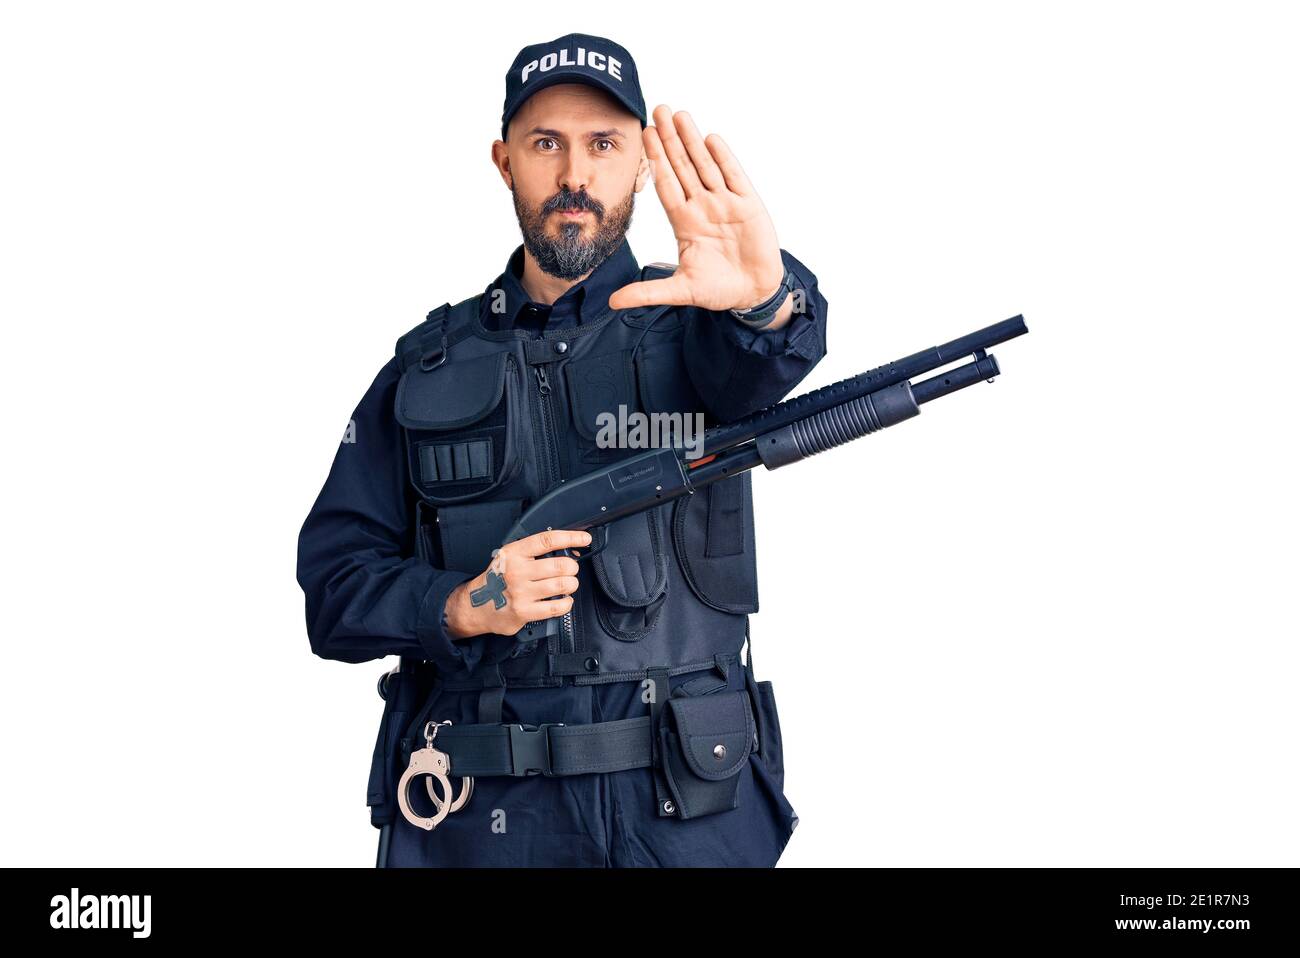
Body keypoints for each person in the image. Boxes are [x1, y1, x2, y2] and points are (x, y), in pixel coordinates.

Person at [297, 32, 829, 867]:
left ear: (645, 164)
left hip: (688, 812)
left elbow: (768, 363)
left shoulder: (702, 335)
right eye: (547, 144)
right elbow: (333, 590)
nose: (574, 175)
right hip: (483, 822)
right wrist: (463, 605)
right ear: (505, 162)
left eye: (603, 144)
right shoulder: (422, 369)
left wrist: (765, 303)